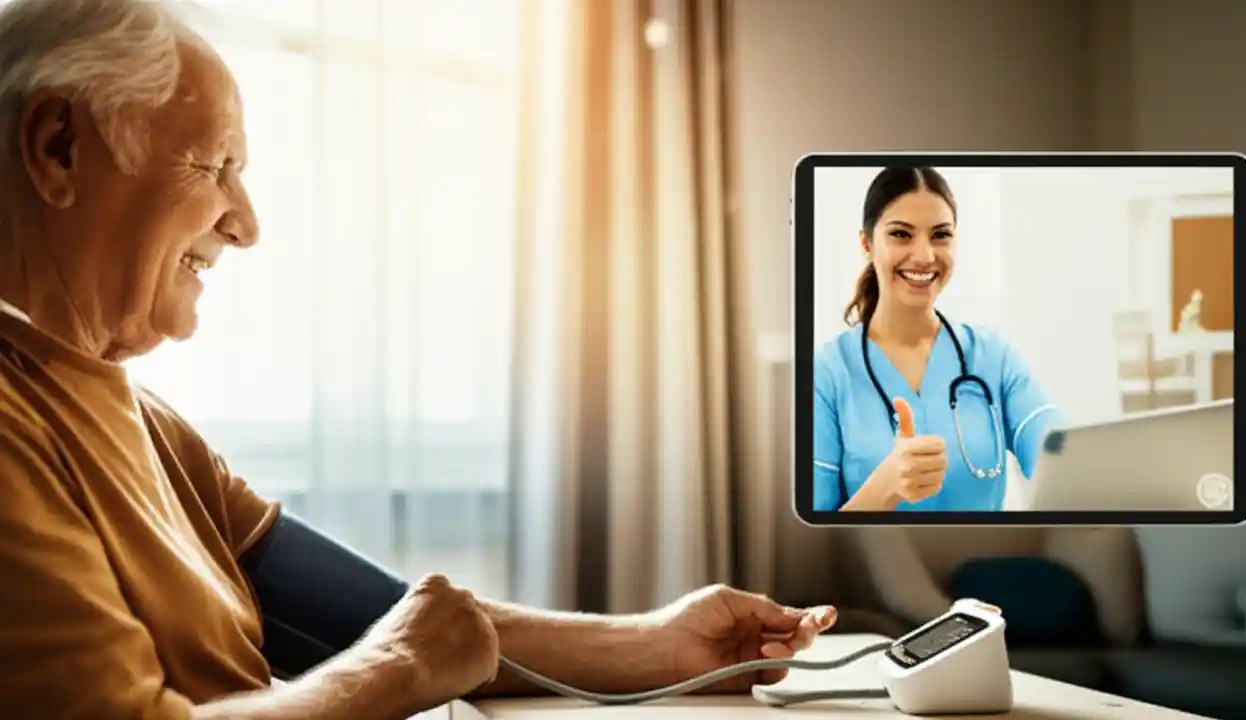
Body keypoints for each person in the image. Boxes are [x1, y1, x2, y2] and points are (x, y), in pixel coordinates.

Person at [0, 1, 837, 718]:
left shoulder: (151, 424)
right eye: (216, 166)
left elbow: (389, 618)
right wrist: (393, 673)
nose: (244, 223)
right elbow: (400, 648)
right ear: (58, 147)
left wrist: (655, 642)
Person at [812, 167, 1063, 512]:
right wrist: (885, 487)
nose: (925, 256)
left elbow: (1060, 457)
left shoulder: (994, 358)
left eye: (940, 235)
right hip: (880, 566)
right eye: (901, 234)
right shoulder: (825, 374)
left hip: (985, 561)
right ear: (867, 243)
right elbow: (812, 546)